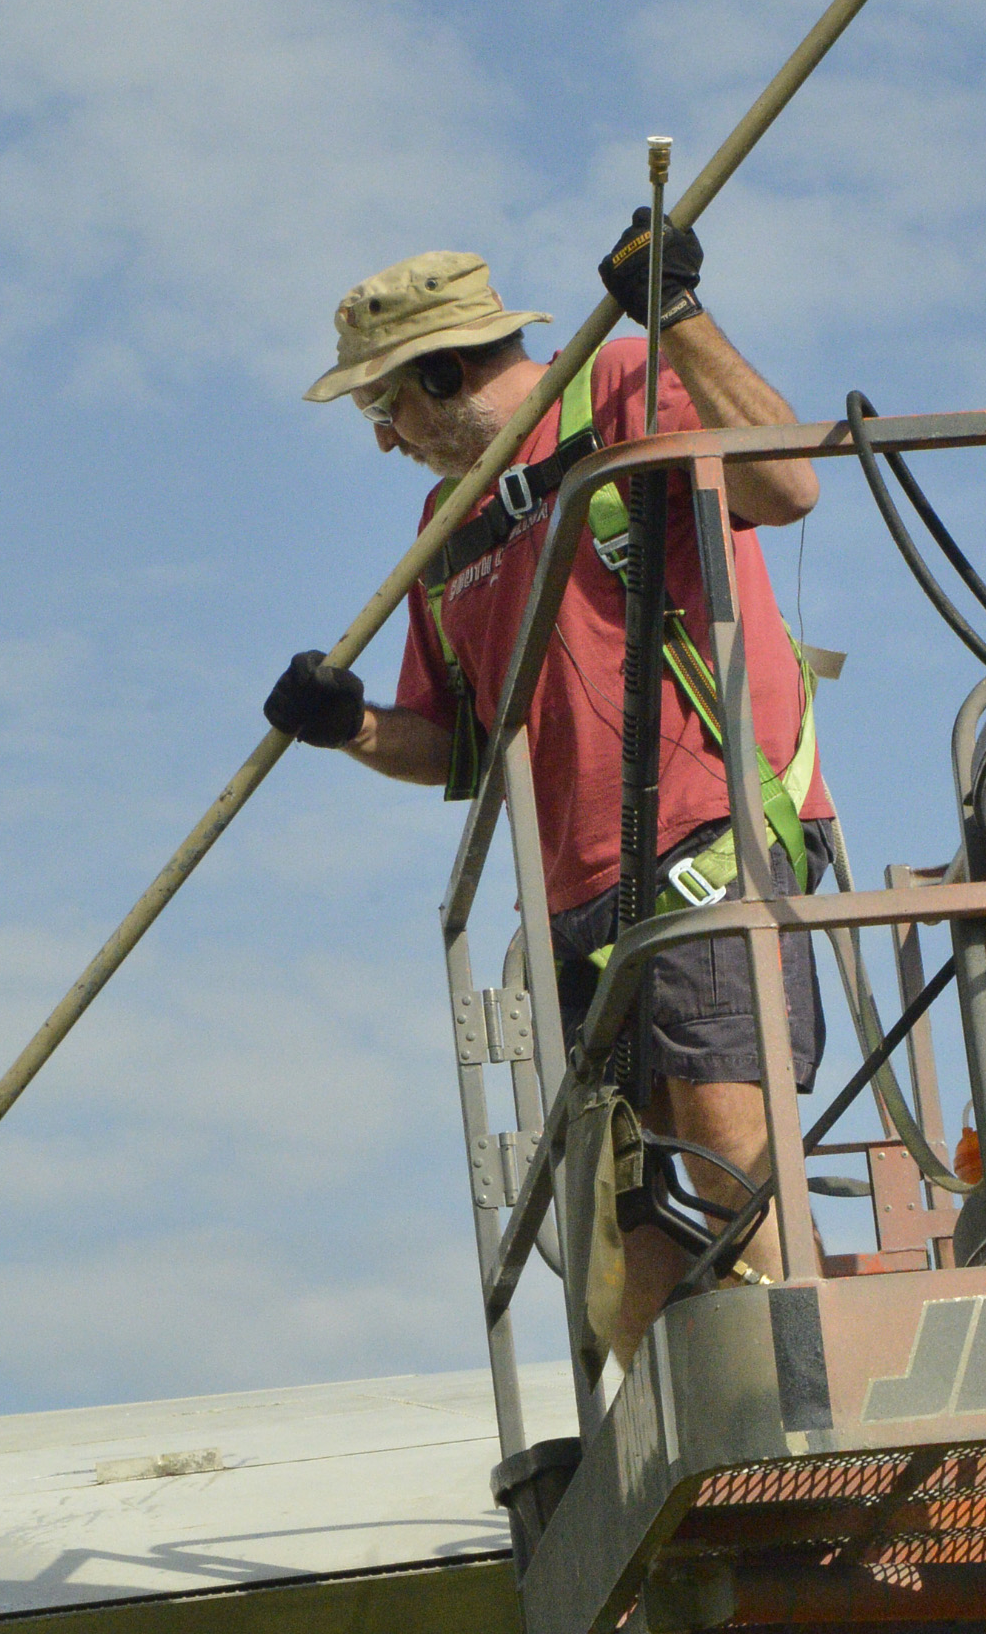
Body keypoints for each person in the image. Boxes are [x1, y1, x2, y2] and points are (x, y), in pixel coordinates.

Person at [265, 234, 831, 1366]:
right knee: (628, 1288)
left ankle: (802, 1403)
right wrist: (351, 728)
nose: (383, 439)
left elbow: (786, 482)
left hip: (703, 837)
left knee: (731, 1157)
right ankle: (699, 1463)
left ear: (439, 375)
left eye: (384, 406)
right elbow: (459, 741)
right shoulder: (442, 534)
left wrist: (677, 316)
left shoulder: (620, 388)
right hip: (571, 905)